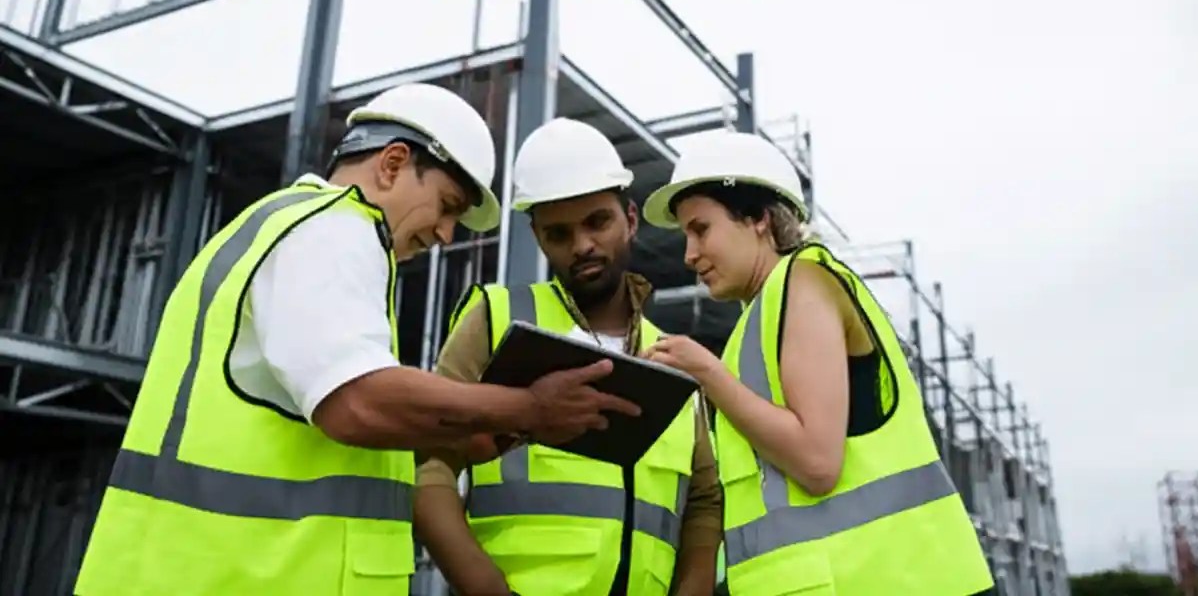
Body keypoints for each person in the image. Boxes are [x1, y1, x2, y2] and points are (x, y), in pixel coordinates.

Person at [73, 84, 640, 596]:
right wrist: (530, 408)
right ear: (394, 164)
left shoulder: (283, 225)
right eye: (446, 207)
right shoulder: (335, 228)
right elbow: (356, 403)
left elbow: (316, 423)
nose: (445, 234)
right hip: (244, 575)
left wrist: (471, 432)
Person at [638, 131, 995, 595]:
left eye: (701, 229)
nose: (689, 255)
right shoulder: (760, 319)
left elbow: (816, 462)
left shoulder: (804, 279)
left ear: (758, 219)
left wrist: (707, 374)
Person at [414, 117, 723, 596]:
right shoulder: (496, 320)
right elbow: (427, 465)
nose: (582, 245)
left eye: (598, 221)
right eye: (558, 233)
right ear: (538, 237)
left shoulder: (672, 358)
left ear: (631, 219)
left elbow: (704, 500)